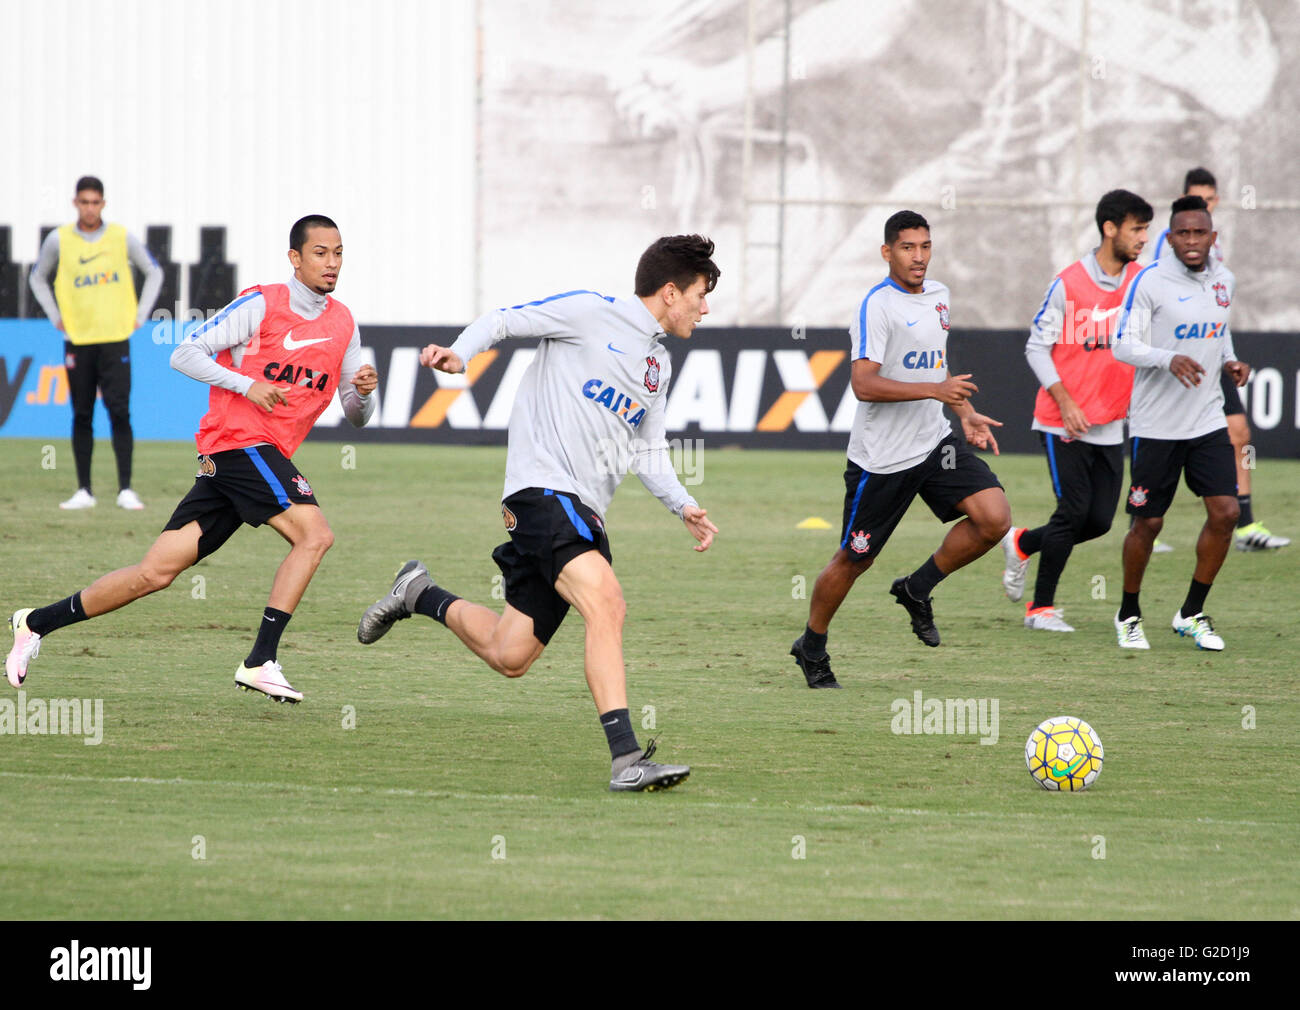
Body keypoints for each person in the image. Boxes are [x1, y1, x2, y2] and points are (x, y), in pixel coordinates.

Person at [356, 235, 719, 792]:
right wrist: (461, 352)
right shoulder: (590, 312)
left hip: (583, 511)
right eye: (700, 294)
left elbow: (647, 449)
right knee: (608, 603)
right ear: (670, 292)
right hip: (542, 493)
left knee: (511, 653)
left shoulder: (657, 364)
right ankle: (626, 759)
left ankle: (418, 593)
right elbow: (505, 320)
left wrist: (684, 504)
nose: (706, 307)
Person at [8, 215, 378, 702]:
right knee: (316, 535)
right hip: (240, 442)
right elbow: (184, 353)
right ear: (295, 258)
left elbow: (356, 415)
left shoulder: (343, 323)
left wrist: (365, 393)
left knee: (154, 574)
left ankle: (34, 623)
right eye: (320, 253)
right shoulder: (262, 303)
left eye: (338, 253)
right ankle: (260, 659)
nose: (331, 263)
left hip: (244, 460)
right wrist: (248, 385)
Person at [789, 210, 1010, 688]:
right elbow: (863, 384)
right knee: (854, 559)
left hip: (933, 441)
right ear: (887, 251)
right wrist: (933, 391)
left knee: (994, 518)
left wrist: (964, 412)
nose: (919, 257)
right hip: (882, 459)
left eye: (926, 246)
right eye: (908, 247)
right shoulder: (876, 306)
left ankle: (917, 588)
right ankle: (812, 644)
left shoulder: (939, 296)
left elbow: (935, 363)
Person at [1000, 190, 1152, 631]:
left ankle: (1024, 542)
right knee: (1071, 512)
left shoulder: (1141, 281)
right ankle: (1039, 610)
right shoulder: (1068, 282)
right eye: (1136, 229)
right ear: (1110, 229)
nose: (1143, 238)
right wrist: (1065, 400)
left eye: (1145, 228)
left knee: (1100, 521)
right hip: (1061, 420)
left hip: (1109, 421)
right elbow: (1036, 347)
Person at [1111, 196, 1249, 651]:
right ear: (1170, 239)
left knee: (1227, 512)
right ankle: (1128, 612)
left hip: (1206, 419)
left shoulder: (1224, 280)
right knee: (1148, 525)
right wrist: (1167, 359)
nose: (1192, 241)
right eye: (1183, 234)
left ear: (1213, 237)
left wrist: (1229, 361)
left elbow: (1219, 326)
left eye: (1200, 233)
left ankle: (1191, 612)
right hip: (1156, 427)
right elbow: (1122, 345)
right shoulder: (1150, 282)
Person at [1152, 167, 1289, 552]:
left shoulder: (1215, 255)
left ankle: (1244, 525)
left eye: (1211, 201)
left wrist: (1228, 355)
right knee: (1164, 446)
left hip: (1211, 359)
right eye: (1200, 199)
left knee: (1240, 433)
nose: (1206, 207)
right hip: (1176, 365)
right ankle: (1145, 522)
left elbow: (1216, 313)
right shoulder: (1168, 254)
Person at [28, 176, 164, 510]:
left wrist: (141, 315)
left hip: (115, 338)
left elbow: (154, 271)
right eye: (84, 201)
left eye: (95, 202)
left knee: (119, 411)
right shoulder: (58, 240)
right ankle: (84, 490)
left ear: (103, 204)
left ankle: (126, 489)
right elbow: (37, 277)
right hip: (78, 338)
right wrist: (54, 316)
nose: (89, 207)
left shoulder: (120, 237)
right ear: (76, 203)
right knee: (82, 413)